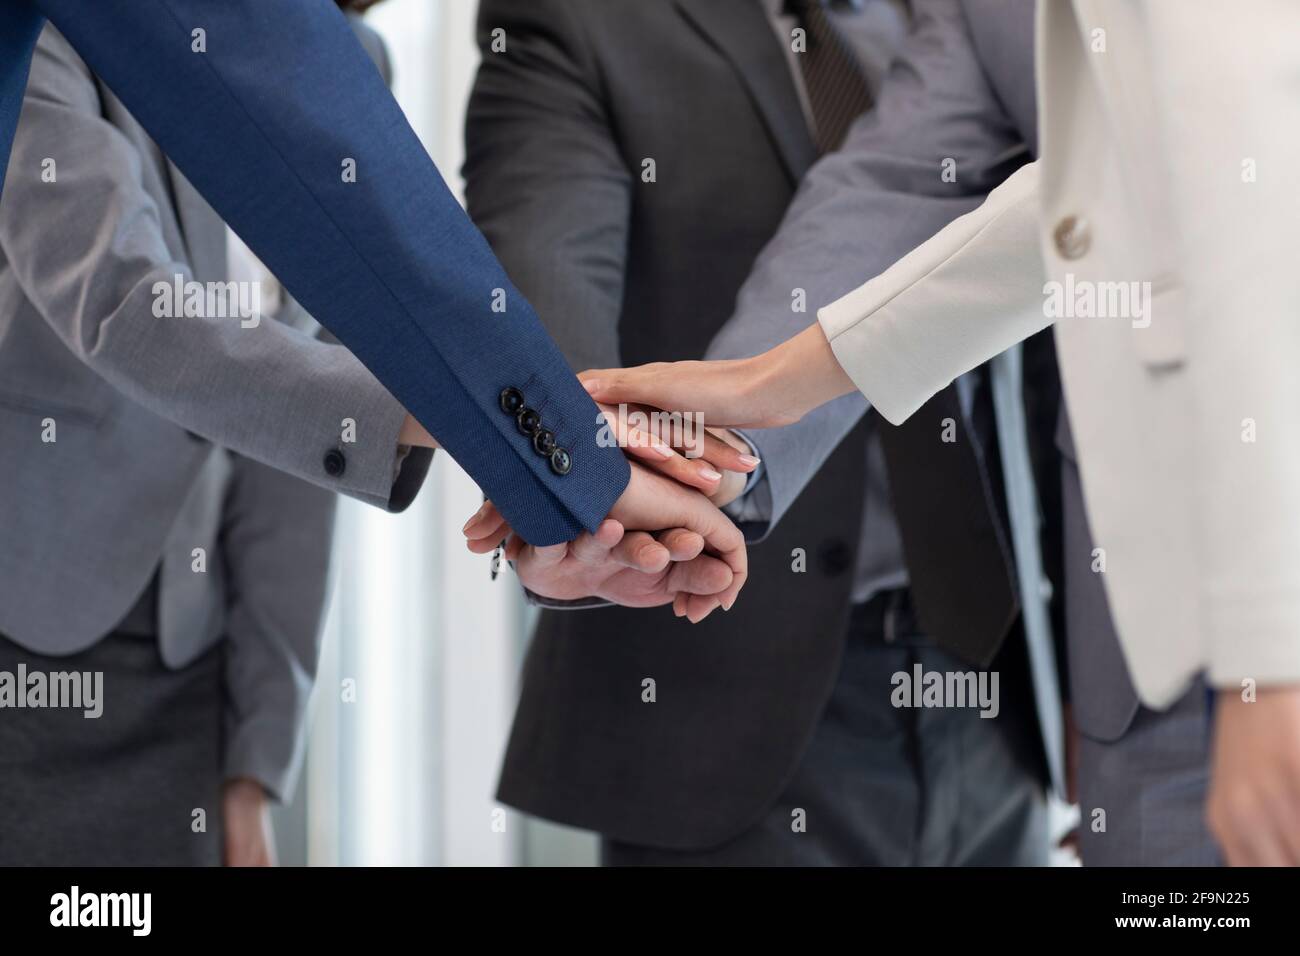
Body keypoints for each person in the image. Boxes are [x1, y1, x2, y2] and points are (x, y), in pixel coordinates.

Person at [577, 0, 1300, 866]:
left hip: (1253, 614)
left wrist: (1269, 655)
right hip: (1159, 652)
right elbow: (1081, 190)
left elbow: (1247, 176)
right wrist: (765, 391)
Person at [459, 0, 1065, 865]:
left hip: (994, 689)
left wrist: (1090, 679)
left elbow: (1052, 337)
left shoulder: (966, 18)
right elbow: (552, 328)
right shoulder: (575, 20)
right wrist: (583, 487)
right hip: (721, 709)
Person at [0, 0, 749, 618]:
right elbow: (131, 310)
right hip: (36, 588)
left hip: (196, 635)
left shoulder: (353, 59)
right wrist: (570, 455)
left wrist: (262, 754)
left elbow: (300, 449)